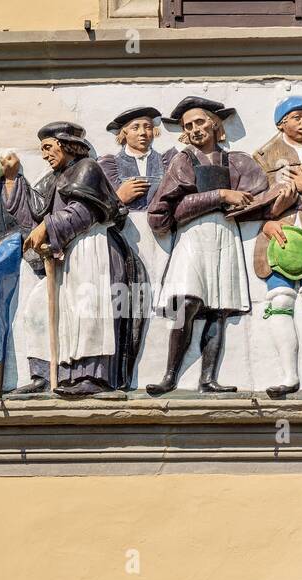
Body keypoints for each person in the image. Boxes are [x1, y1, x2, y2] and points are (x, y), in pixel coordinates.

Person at [0, 121, 138, 397]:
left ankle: (92, 377)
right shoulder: (54, 177)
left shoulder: (88, 169)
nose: (44, 154)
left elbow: (84, 212)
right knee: (37, 308)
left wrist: (48, 228)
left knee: (88, 312)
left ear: (64, 144)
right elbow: (33, 215)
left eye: (48, 147)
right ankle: (44, 373)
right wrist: (13, 180)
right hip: (67, 254)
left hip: (92, 248)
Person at [145, 97, 270, 396]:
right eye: (188, 126)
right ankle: (170, 375)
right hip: (193, 237)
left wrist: (245, 200)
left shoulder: (236, 161)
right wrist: (220, 195)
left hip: (224, 237)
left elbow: (259, 193)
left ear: (215, 125)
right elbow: (166, 211)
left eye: (200, 122)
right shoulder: (183, 161)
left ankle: (208, 379)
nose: (195, 129)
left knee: (217, 309)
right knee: (186, 303)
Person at [251, 95, 302, 397]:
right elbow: (250, 201)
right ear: (281, 122)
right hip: (277, 237)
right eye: (297, 117)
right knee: (281, 302)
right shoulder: (263, 155)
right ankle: (288, 377)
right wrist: (267, 220)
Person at [97, 106, 180, 388]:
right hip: (127, 234)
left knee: (162, 300)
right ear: (123, 134)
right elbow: (101, 204)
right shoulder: (109, 164)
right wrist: (119, 197)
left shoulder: (168, 160)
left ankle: (158, 373)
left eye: (147, 127)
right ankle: (124, 374)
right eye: (135, 128)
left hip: (161, 234)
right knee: (128, 302)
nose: (143, 133)